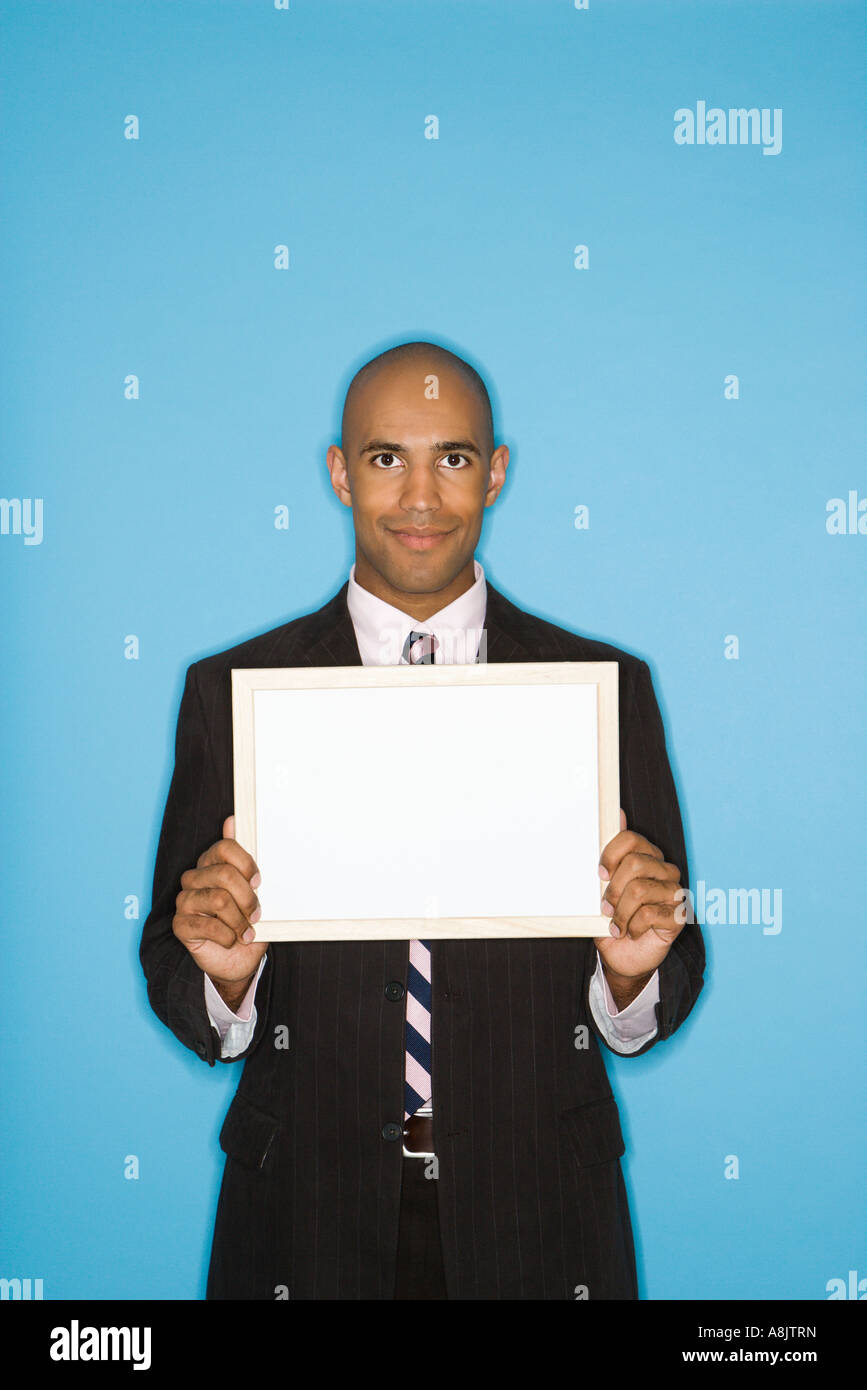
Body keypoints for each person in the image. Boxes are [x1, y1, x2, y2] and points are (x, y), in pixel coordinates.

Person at [139, 340, 705, 1300]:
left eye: (451, 458)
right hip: (302, 1214)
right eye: (384, 458)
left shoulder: (602, 691)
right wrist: (230, 979)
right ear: (338, 473)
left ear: (495, 475)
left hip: (540, 1211)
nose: (418, 497)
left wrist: (630, 969)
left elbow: (665, 982)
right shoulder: (233, 693)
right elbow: (173, 963)